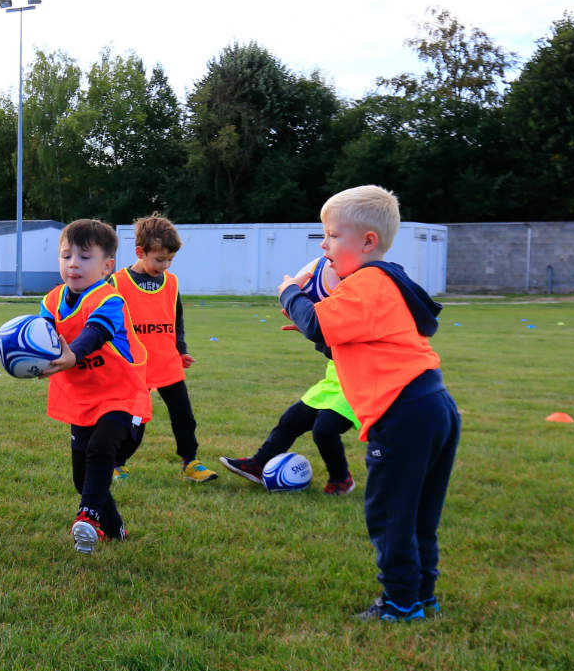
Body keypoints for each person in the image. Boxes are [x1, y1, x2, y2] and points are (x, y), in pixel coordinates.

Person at [280, 185, 459, 622]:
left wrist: (290, 294)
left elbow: (319, 322)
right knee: (419, 515)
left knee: (390, 513)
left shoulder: (369, 282)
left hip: (403, 414)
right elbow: (353, 342)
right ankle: (423, 596)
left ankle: (398, 603)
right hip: (431, 406)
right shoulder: (386, 281)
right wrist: (319, 331)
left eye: (331, 235)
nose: (324, 246)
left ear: (367, 241)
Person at [37, 219, 152, 553]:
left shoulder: (109, 299)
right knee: (81, 477)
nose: (73, 263)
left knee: (101, 450)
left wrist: (73, 355)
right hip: (82, 405)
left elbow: (95, 333)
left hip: (123, 401)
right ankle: (114, 530)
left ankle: (87, 518)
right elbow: (42, 337)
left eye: (85, 257)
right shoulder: (51, 301)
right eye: (66, 255)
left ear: (107, 266)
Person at [221, 257, 358, 494]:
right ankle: (258, 464)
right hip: (335, 380)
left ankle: (341, 479)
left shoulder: (359, 299)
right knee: (292, 419)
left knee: (324, 429)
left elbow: (349, 347)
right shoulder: (337, 302)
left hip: (360, 384)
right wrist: (313, 329)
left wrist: (314, 328)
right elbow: (334, 349)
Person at [109, 214, 217, 483]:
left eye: (170, 260)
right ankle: (116, 463)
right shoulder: (117, 283)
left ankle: (190, 462)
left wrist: (182, 349)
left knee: (184, 416)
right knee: (136, 422)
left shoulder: (171, 282)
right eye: (159, 259)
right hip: (135, 366)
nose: (165, 265)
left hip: (168, 362)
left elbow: (176, 318)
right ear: (140, 252)